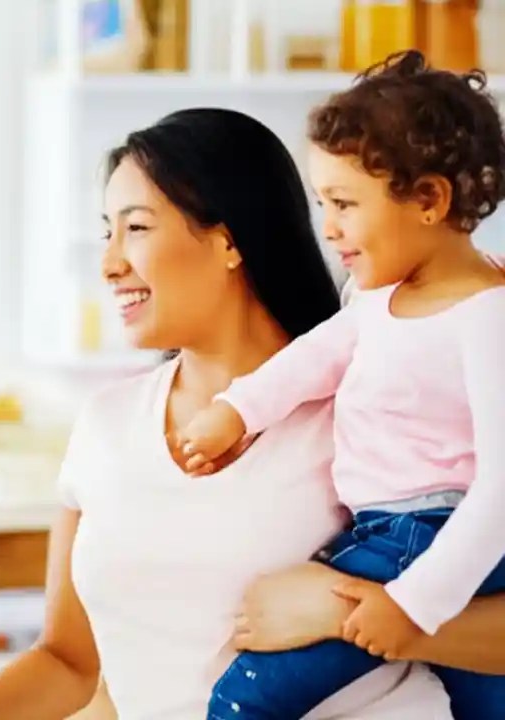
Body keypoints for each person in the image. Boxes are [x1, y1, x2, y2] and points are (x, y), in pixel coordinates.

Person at [0, 106, 505, 720]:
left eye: (138, 228)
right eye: (108, 231)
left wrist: (349, 613)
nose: (110, 261)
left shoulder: (372, 415)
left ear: (229, 239)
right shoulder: (106, 424)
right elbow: (71, 665)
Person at [178, 51, 505, 719]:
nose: (328, 227)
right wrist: (238, 411)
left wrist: (409, 607)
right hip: (399, 534)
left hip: (421, 538)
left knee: (244, 701)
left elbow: (501, 491)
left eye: (344, 204)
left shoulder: (487, 317)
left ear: (428, 200)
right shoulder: (377, 295)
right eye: (321, 202)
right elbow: (315, 357)